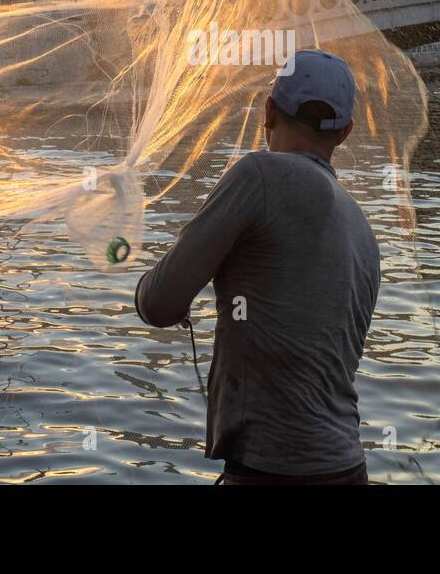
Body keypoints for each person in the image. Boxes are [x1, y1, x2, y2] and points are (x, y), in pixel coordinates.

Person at [134, 49, 379, 485]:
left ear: (268, 111)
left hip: (272, 470)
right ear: (344, 132)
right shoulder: (362, 227)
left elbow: (159, 303)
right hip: (347, 467)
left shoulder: (258, 175)